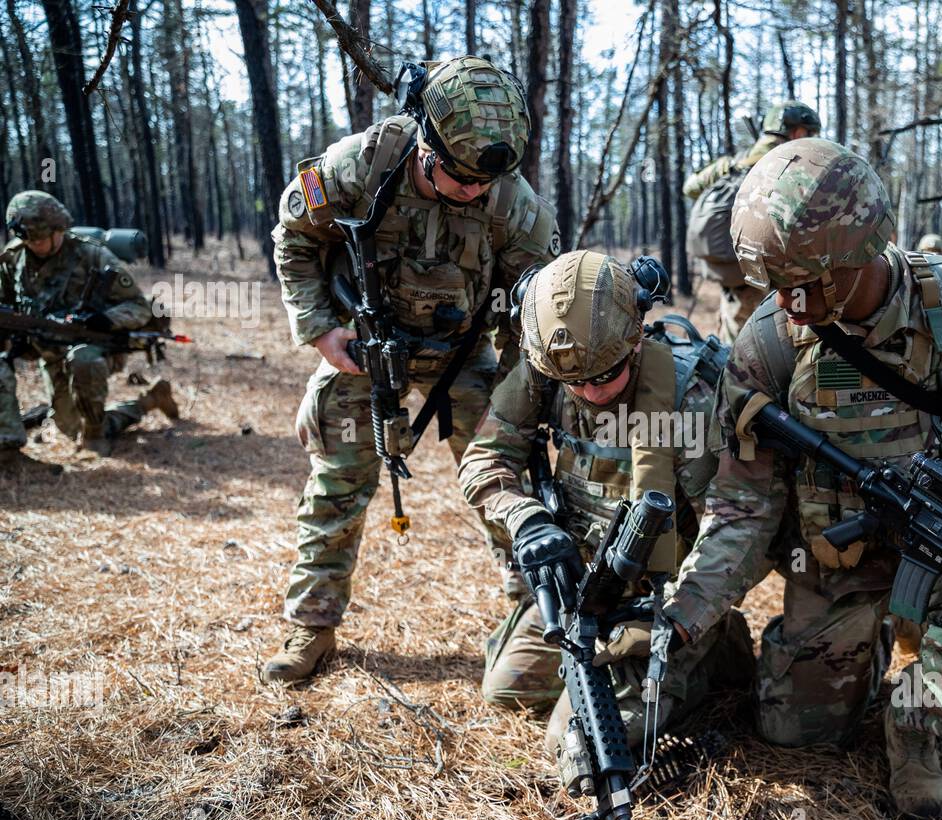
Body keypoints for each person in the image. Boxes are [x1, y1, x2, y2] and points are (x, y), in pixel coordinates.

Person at [662, 139, 942, 820]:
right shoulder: (771, 341)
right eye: (775, 284)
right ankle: (860, 649)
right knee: (795, 734)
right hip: (830, 558)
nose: (787, 303)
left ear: (859, 254)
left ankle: (915, 723)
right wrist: (692, 608)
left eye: (804, 283)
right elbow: (743, 504)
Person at [264, 56, 560, 682]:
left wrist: (519, 395)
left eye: (485, 185)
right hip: (366, 349)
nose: (475, 194)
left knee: (507, 481)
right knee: (336, 483)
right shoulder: (356, 168)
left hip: (464, 354)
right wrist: (321, 330)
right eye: (461, 181)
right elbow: (294, 238)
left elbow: (534, 304)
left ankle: (538, 619)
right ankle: (312, 626)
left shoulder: (515, 202)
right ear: (427, 145)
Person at [459, 251, 755, 760]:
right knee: (504, 688)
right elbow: (483, 459)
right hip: (585, 589)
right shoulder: (545, 371)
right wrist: (527, 520)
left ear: (636, 337)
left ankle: (713, 649)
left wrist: (680, 619)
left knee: (583, 747)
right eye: (575, 383)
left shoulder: (691, 396)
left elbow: (737, 526)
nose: (588, 393)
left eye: (604, 377)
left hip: (662, 600)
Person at [0, 190, 177, 466]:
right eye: (27, 238)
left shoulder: (91, 255)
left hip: (95, 346)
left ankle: (96, 438)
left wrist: (104, 319)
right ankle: (151, 399)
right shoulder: (14, 258)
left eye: (39, 238)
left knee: (83, 361)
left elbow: (139, 307)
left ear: (58, 229)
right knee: (68, 428)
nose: (33, 245)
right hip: (47, 350)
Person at [683, 101, 821, 344]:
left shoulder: (734, 163)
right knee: (768, 341)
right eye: (810, 134)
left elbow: (691, 187)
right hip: (771, 269)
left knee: (734, 332)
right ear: (797, 132)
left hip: (731, 267)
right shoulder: (792, 164)